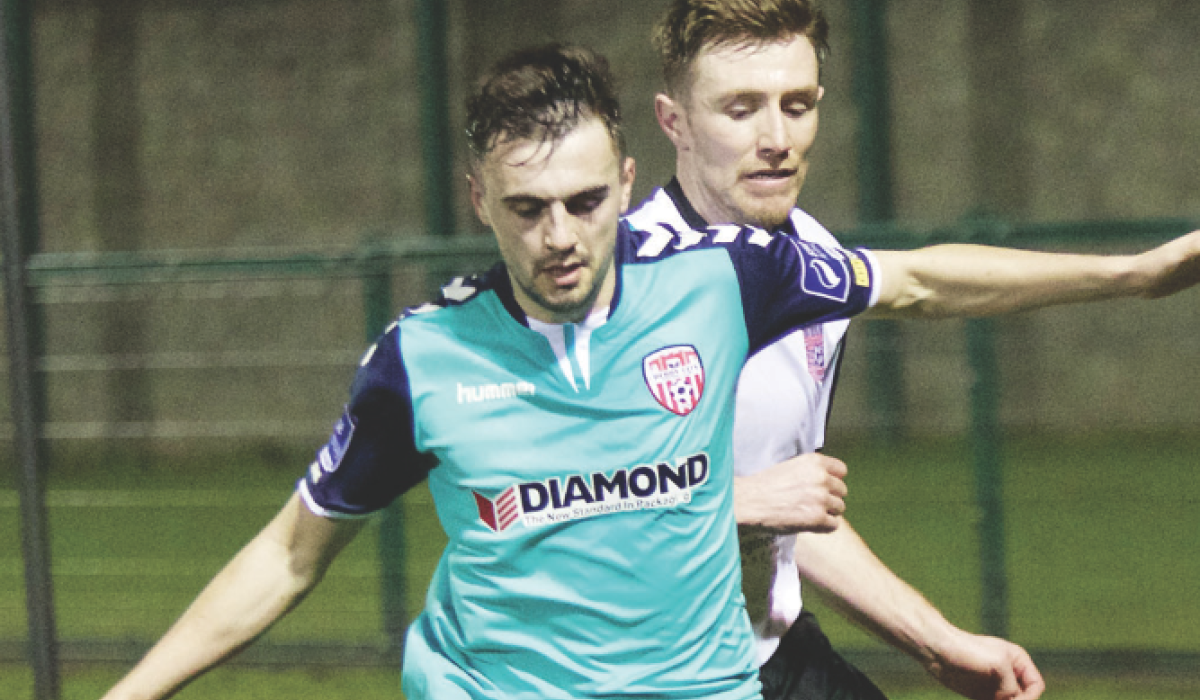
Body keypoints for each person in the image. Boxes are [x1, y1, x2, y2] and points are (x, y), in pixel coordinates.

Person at [100, 44, 874, 700]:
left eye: (584, 200)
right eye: (528, 208)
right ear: (479, 200)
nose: (560, 236)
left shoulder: (716, 286)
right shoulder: (428, 359)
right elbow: (288, 554)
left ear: (627, 184)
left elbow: (922, 281)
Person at [627, 1, 1200, 700]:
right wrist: (736, 502)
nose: (776, 137)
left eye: (797, 104)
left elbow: (793, 518)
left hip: (773, 656)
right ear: (673, 120)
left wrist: (936, 641)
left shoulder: (811, 259)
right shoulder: (618, 286)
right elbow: (556, 521)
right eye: (740, 109)